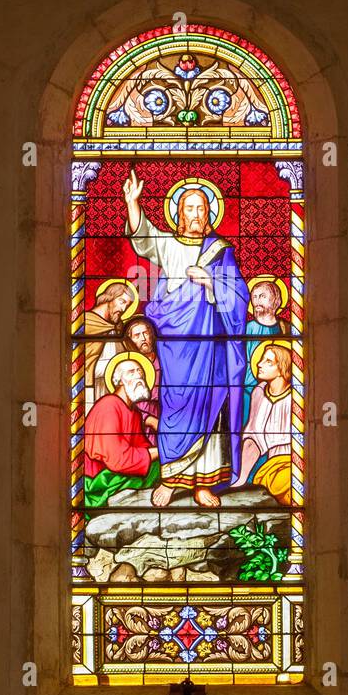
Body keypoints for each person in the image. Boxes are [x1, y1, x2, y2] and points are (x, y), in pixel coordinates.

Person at [124, 169, 249, 507]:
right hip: (174, 345)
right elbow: (144, 237)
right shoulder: (169, 244)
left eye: (202, 209)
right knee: (175, 405)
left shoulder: (220, 251)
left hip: (209, 346)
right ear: (179, 215)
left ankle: (203, 485)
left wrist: (211, 282)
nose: (196, 215)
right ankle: (170, 477)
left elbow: (239, 295)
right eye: (189, 209)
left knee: (210, 406)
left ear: (209, 215)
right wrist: (133, 203)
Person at [83, 353, 161, 508]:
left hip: (122, 470)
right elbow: (117, 459)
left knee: (164, 465)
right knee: (161, 464)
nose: (139, 376)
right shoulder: (108, 406)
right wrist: (161, 451)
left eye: (141, 372)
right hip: (99, 480)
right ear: (118, 381)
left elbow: (142, 445)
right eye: (131, 372)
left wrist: (159, 452)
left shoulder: (135, 412)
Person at [236, 341, 294, 504]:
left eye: (268, 362)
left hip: (291, 464)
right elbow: (253, 435)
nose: (259, 364)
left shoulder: (296, 397)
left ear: (283, 367)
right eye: (261, 359)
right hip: (270, 467)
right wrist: (241, 477)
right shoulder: (259, 392)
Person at [244, 276, 290, 420]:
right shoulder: (247, 328)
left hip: (278, 387)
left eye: (262, 296)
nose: (257, 300)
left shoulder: (285, 328)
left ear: (275, 301)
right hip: (248, 387)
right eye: (254, 297)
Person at [83, 279, 134, 404]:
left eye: (126, 306)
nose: (123, 309)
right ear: (109, 298)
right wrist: (112, 366)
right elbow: (83, 365)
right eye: (121, 302)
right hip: (93, 390)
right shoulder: (86, 324)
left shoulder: (119, 328)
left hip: (117, 391)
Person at [121, 316, 160, 439]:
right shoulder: (127, 367)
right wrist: (149, 420)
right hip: (137, 422)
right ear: (130, 340)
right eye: (137, 335)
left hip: (163, 416)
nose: (143, 338)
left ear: (151, 336)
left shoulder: (163, 361)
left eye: (145, 333)